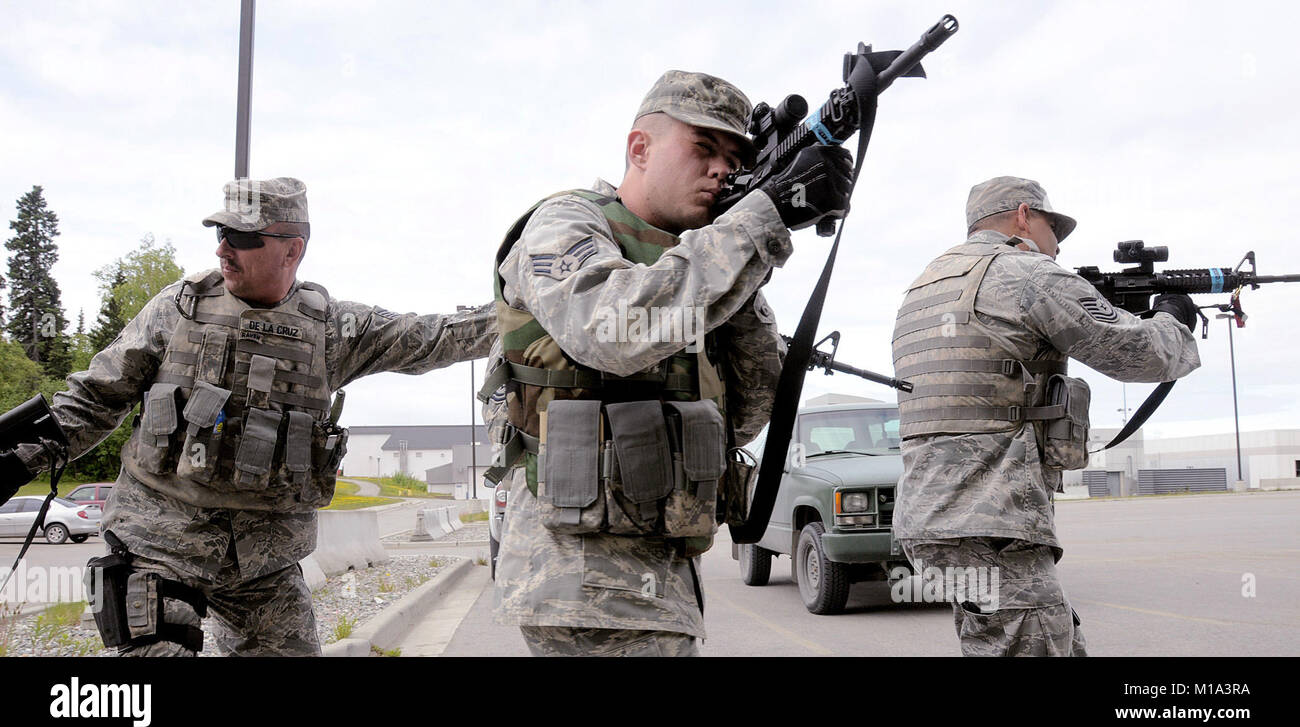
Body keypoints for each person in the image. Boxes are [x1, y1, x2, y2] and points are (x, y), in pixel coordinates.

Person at [0, 177, 494, 656]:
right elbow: (96, 397)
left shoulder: (335, 329)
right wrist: (15, 461)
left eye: (241, 237)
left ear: (292, 249)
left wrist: (525, 313)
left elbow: (434, 336)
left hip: (264, 563)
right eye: (220, 234)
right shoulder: (177, 310)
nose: (222, 249)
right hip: (159, 541)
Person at [488, 70, 854, 656]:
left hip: (660, 573)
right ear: (640, 148)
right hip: (585, 577)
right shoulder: (568, 222)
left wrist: (747, 252)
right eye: (703, 149)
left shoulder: (690, 261)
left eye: (734, 160)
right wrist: (756, 222)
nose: (720, 170)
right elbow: (610, 330)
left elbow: (747, 409)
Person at [890, 175, 1202, 656]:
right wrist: (1172, 318)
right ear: (1023, 215)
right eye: (1053, 227)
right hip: (993, 520)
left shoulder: (926, 285)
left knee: (1042, 643)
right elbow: (1139, 355)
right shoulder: (1025, 273)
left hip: (933, 518)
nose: (1056, 246)